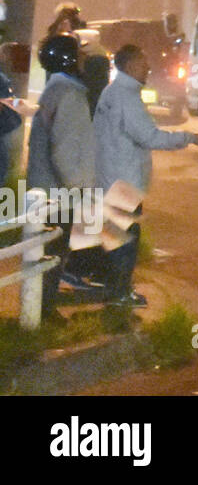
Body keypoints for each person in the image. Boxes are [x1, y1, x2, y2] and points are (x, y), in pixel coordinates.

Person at [93, 44, 198, 307]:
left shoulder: (112, 92)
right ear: (130, 66)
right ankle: (120, 294)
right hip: (124, 179)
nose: (148, 68)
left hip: (110, 174)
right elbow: (150, 136)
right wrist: (189, 137)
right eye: (143, 63)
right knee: (125, 240)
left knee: (113, 237)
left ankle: (113, 290)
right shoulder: (126, 98)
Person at [26, 35, 97, 322]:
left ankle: (40, 310)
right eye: (79, 54)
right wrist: (79, 188)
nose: (83, 59)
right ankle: (42, 312)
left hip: (47, 188)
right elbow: (64, 152)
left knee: (48, 253)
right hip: (59, 192)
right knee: (53, 255)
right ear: (67, 59)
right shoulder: (68, 94)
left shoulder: (55, 89)